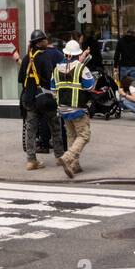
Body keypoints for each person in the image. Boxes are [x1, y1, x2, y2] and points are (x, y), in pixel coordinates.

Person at [18, 29, 63, 170]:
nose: (46, 42)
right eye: (44, 40)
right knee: (55, 127)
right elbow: (51, 78)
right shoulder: (44, 57)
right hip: (44, 98)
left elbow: (20, 79)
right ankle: (59, 156)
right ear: (39, 43)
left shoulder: (26, 58)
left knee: (31, 129)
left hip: (29, 98)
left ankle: (31, 160)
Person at [53, 40, 94, 179]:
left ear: (65, 53)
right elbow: (90, 87)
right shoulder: (82, 68)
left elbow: (53, 89)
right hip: (77, 108)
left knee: (71, 135)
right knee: (84, 135)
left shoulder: (56, 69)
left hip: (63, 109)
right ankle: (68, 157)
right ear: (77, 54)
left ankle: (74, 166)